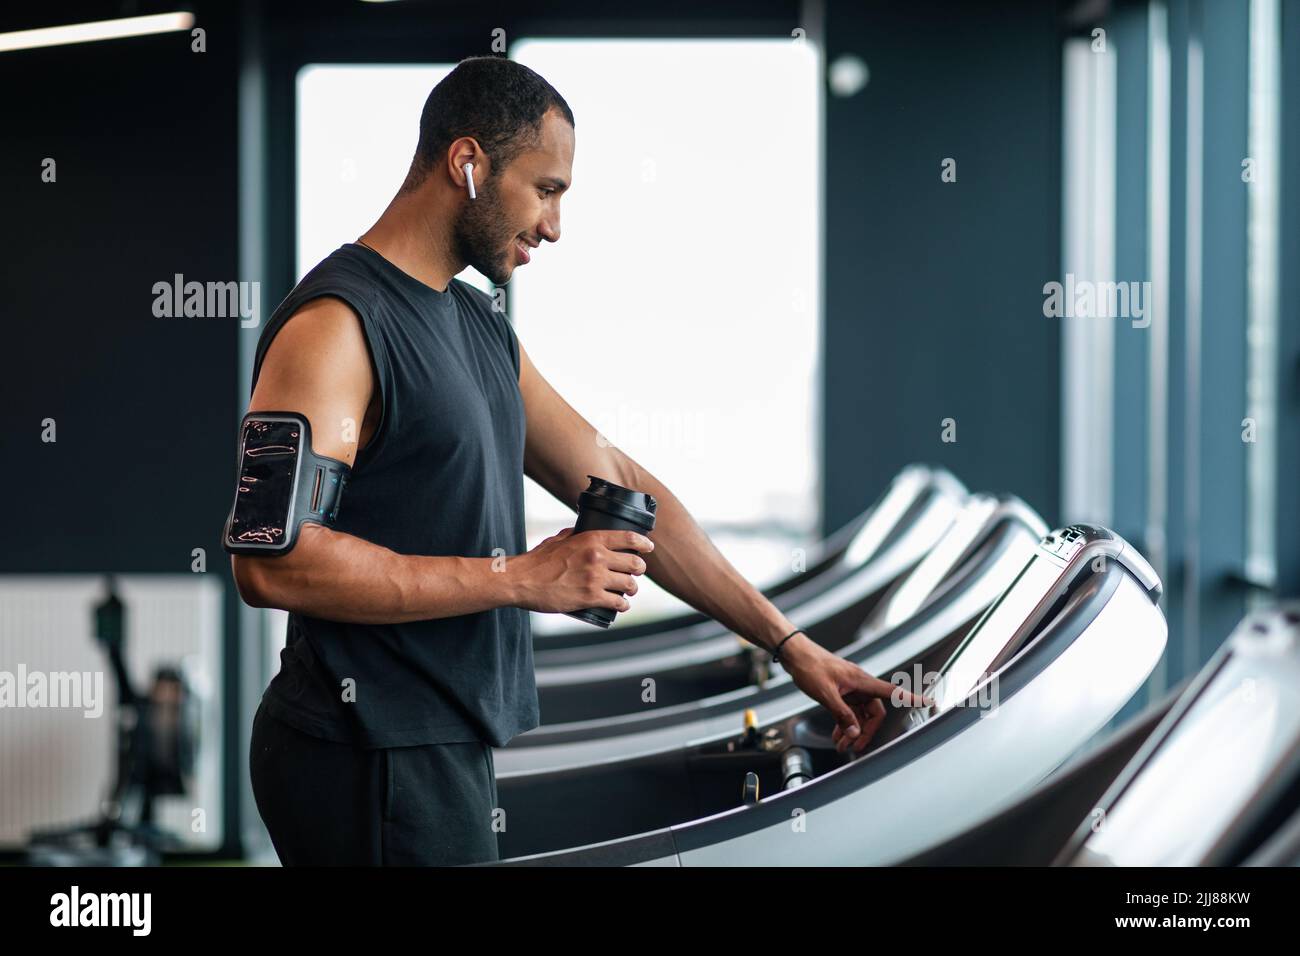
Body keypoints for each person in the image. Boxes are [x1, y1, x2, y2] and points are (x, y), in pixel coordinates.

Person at [236, 56, 920, 866]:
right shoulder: (336, 326)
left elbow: (621, 485)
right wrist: (523, 578)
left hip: (437, 747)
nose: (554, 226)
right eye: (546, 190)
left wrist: (790, 644)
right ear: (468, 163)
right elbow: (272, 565)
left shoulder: (478, 327)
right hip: (362, 750)